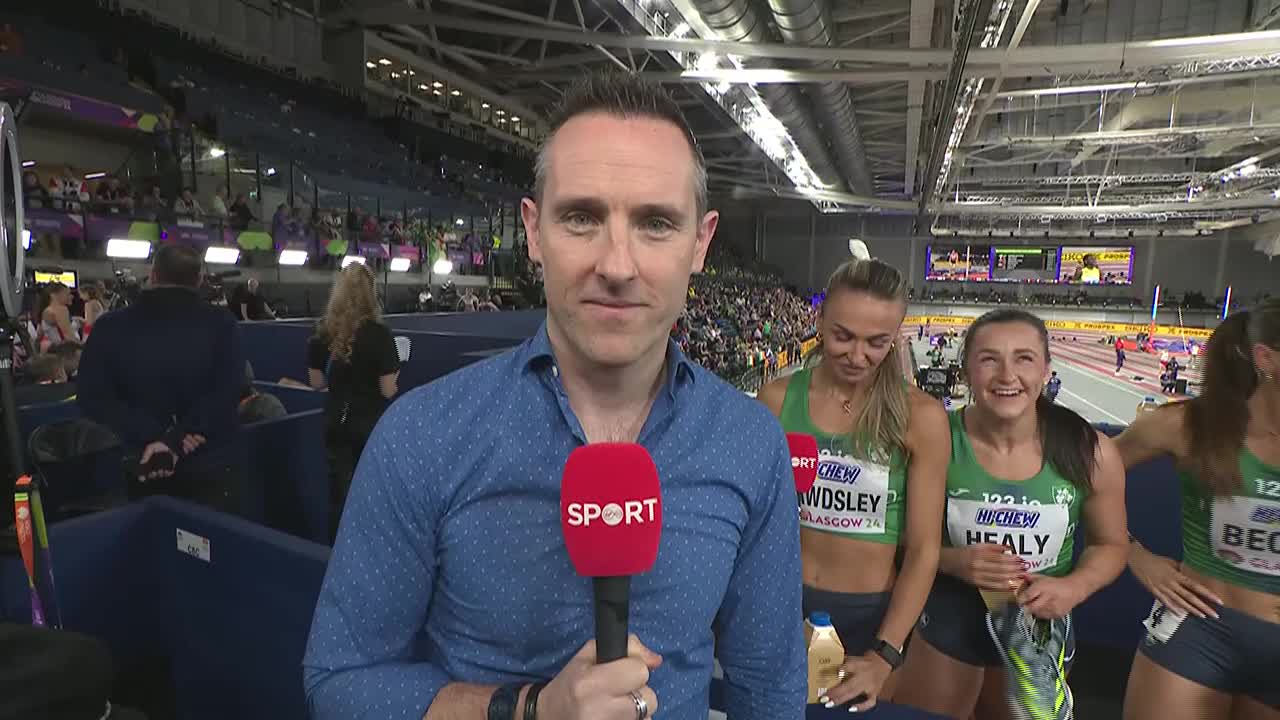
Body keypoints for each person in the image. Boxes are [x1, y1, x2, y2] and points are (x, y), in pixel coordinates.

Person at [303, 72, 805, 720]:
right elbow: (340, 681)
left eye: (656, 223)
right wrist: (528, 709)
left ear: (700, 242)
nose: (617, 266)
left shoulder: (749, 442)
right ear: (535, 232)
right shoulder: (422, 434)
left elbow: (770, 688)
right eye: (581, 217)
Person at [893, 309, 1129, 720]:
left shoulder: (1090, 451)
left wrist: (1074, 587)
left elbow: (1111, 545)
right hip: (949, 614)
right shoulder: (937, 438)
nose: (1007, 376)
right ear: (967, 370)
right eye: (989, 359)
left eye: (1024, 359)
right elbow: (894, 537)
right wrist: (953, 562)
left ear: (1046, 370)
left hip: (1034, 626)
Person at [757, 258, 949, 712]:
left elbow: (924, 550)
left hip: (872, 617)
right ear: (819, 320)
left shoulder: (919, 418)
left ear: (896, 336)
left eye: (876, 342)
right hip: (780, 604)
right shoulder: (776, 402)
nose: (857, 355)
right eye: (842, 336)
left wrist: (886, 653)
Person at [1116, 300, 1280, 719]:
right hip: (1199, 631)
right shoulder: (1187, 426)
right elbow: (1081, 476)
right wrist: (1131, 553)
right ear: (1267, 359)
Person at [77, 244, 245, 512]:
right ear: (199, 280)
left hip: (135, 462)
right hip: (207, 462)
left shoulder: (109, 326)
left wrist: (152, 436)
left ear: (153, 276)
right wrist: (177, 438)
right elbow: (227, 392)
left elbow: (92, 398)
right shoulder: (222, 324)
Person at [305, 264, 400, 541]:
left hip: (335, 422)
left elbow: (316, 382)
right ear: (371, 293)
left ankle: (338, 551)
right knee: (372, 494)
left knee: (340, 496)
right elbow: (387, 391)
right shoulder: (380, 334)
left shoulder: (321, 333)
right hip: (369, 427)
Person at [36, 282, 75, 351]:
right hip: (63, 351)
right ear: (53, 295)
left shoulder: (46, 310)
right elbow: (68, 336)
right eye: (67, 294)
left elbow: (39, 335)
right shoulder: (61, 309)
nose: (72, 296)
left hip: (50, 351)